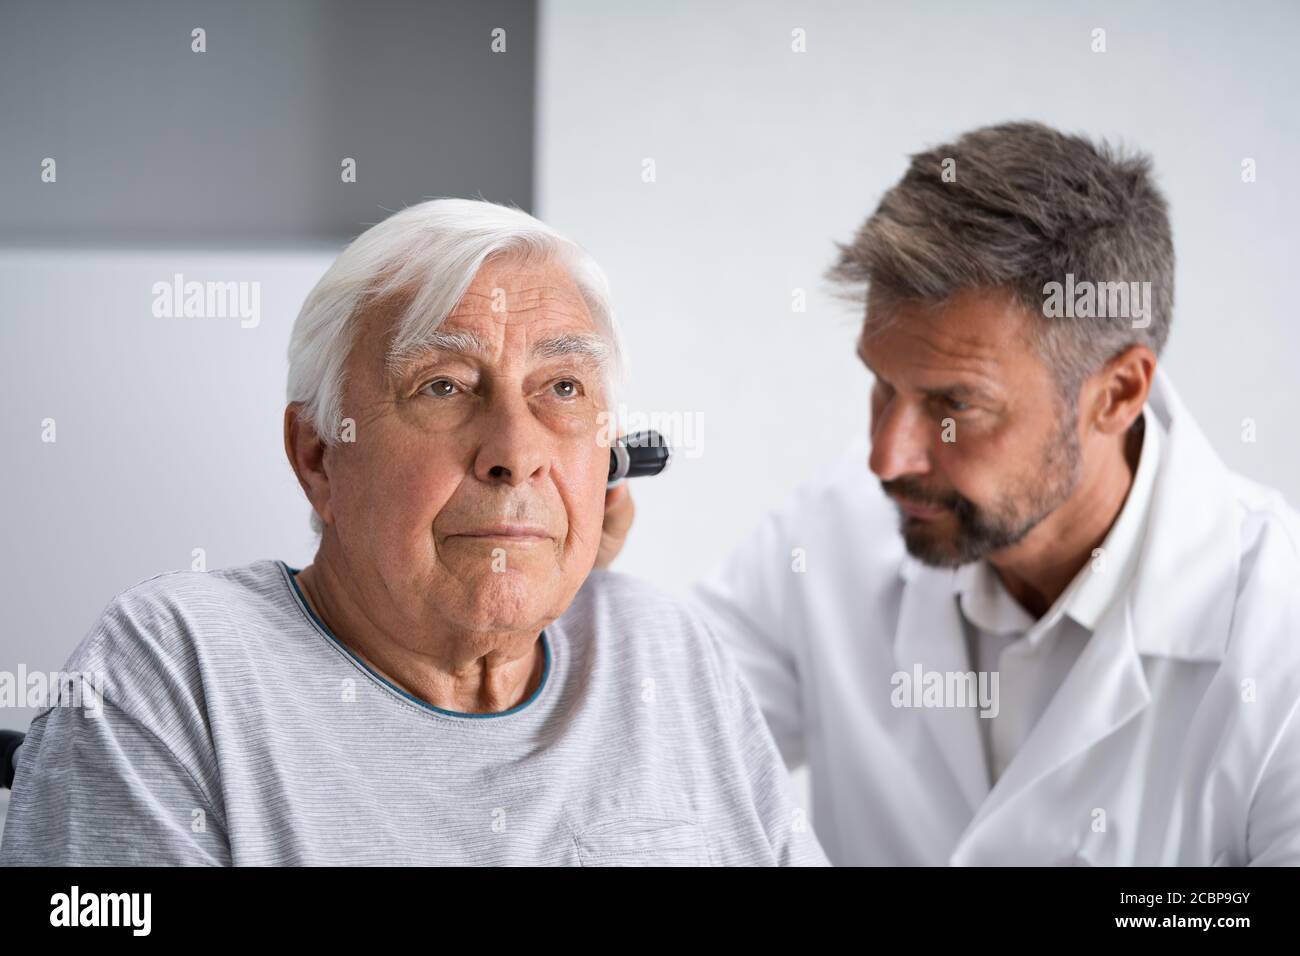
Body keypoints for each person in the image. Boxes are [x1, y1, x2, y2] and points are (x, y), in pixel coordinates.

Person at [0, 199, 827, 867]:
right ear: (320, 456)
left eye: (564, 387)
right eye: (442, 386)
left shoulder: (662, 649)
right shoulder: (178, 667)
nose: (517, 452)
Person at [598, 122, 1300, 865]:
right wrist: (560, 590)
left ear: (1117, 392)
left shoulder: (1277, 633)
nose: (885, 457)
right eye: (881, 385)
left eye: (954, 405)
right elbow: (644, 752)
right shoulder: (831, 533)